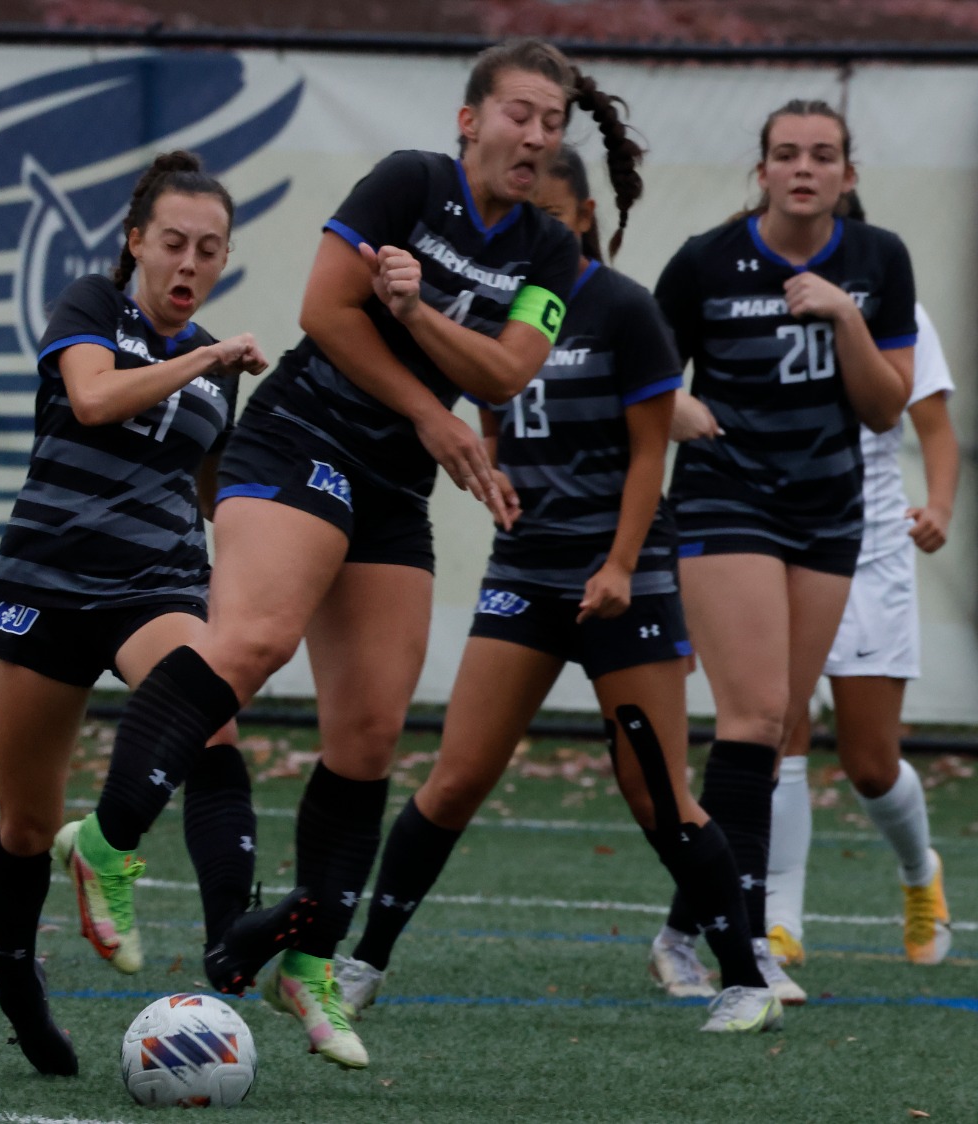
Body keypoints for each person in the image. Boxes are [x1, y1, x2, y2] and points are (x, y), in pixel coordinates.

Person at [54, 38, 617, 1070]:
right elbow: (321, 312)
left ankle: (305, 960)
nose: (536, 136)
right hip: (299, 440)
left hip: (394, 488)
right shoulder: (405, 183)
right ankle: (104, 840)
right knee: (254, 642)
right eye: (519, 114)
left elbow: (499, 376)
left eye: (552, 121)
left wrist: (409, 310)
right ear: (470, 119)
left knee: (366, 735)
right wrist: (426, 405)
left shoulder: (544, 251)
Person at [333, 145, 780, 1034]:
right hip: (526, 575)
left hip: (627, 581)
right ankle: (362, 962)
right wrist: (495, 476)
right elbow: (494, 409)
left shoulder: (623, 308)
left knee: (656, 793)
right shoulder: (503, 310)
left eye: (547, 207)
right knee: (456, 778)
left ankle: (746, 979)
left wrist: (618, 567)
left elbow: (655, 452)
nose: (525, 219)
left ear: (578, 217)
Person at [0, 151, 268, 1076]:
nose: (189, 264)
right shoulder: (92, 309)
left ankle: (230, 935)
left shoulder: (215, 370)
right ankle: (21, 990)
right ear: (135, 242)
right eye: (173, 243)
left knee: (213, 721)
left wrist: (263, 574)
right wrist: (202, 359)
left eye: (209, 249)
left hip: (156, 589)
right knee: (25, 823)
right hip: (47, 584)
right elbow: (94, 399)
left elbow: (218, 492)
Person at [644, 102, 916, 1008]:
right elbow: (641, 376)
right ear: (760, 170)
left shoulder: (879, 262)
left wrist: (844, 317)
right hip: (729, 498)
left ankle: (683, 931)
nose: (805, 167)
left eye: (824, 155)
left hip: (829, 514)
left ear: (847, 171)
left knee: (775, 728)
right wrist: (671, 407)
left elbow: (887, 408)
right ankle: (747, 946)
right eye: (787, 154)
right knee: (755, 719)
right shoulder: (705, 261)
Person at [714, 191, 957, 970]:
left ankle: (921, 873)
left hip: (872, 545)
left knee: (869, 761)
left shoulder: (894, 307)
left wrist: (941, 508)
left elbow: (934, 429)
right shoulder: (745, 298)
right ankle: (780, 922)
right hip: (775, 534)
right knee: (776, 723)